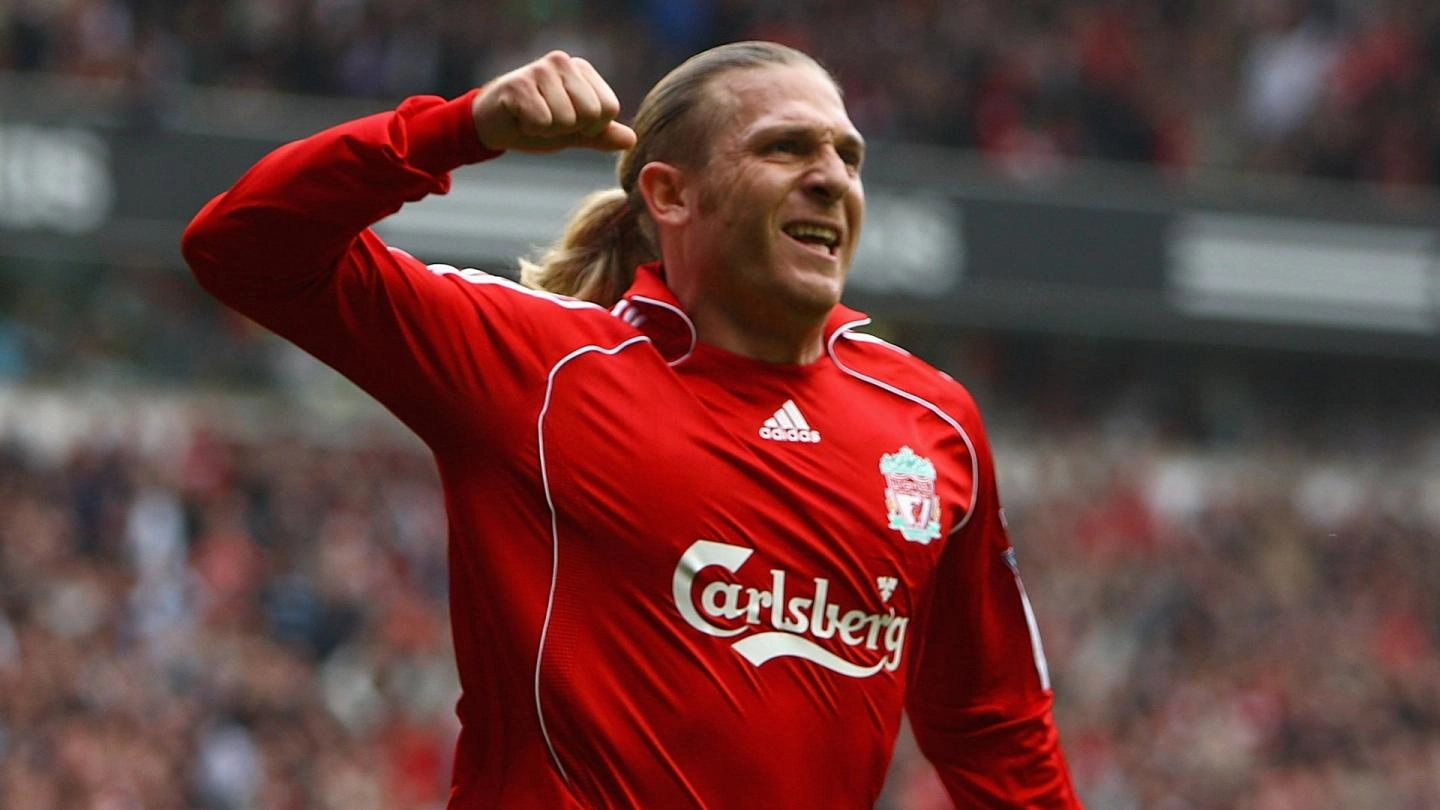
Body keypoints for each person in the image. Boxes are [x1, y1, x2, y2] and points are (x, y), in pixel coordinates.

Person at [182, 41, 1079, 809]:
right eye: (786, 147)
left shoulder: (931, 422)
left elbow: (994, 727)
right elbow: (242, 246)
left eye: (848, 156)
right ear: (670, 195)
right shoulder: (541, 368)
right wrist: (461, 127)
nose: (831, 177)